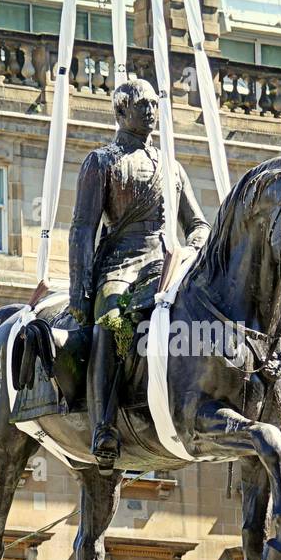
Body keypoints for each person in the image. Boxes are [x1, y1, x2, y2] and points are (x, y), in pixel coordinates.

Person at [68, 79, 210, 473]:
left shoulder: (172, 167)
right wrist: (80, 288)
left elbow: (198, 224)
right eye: (142, 104)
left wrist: (193, 249)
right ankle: (103, 426)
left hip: (163, 265)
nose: (151, 111)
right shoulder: (102, 161)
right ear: (121, 112)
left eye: (154, 104)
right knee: (110, 326)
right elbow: (83, 228)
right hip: (120, 265)